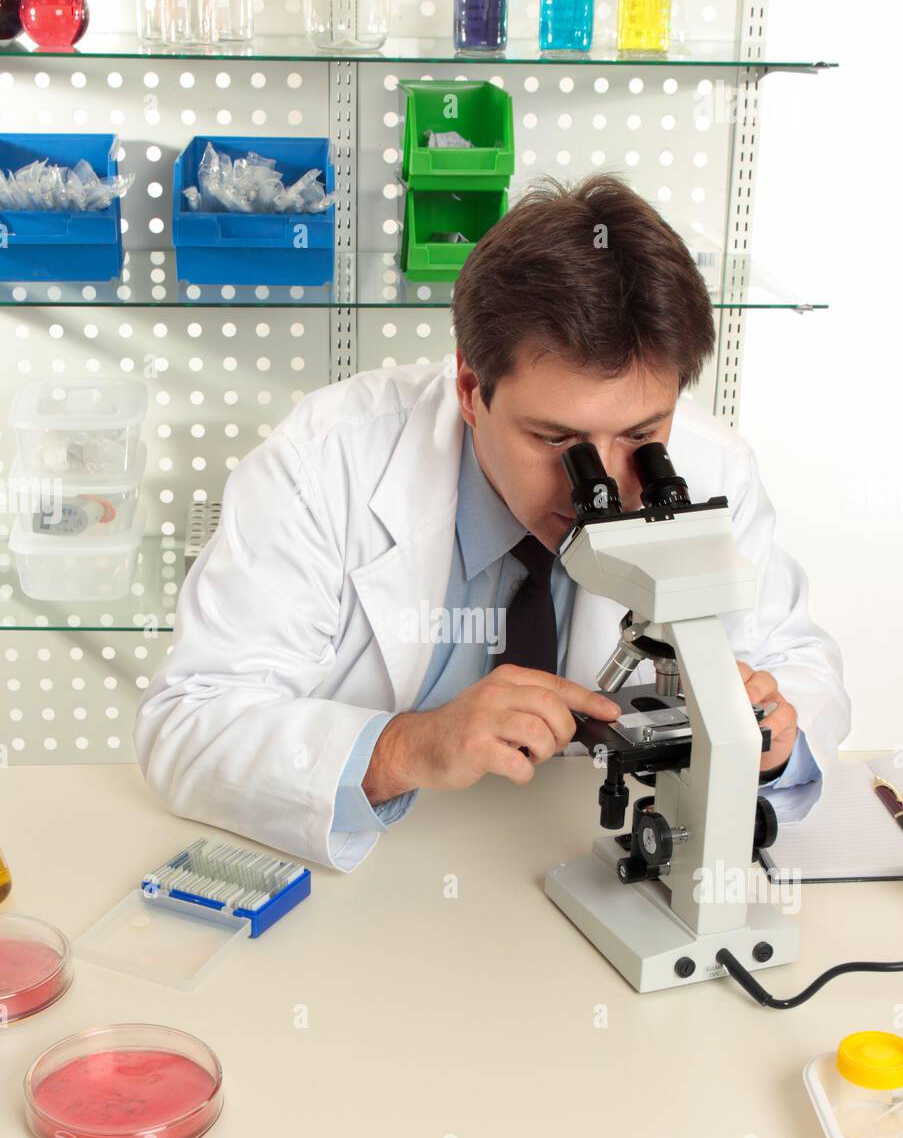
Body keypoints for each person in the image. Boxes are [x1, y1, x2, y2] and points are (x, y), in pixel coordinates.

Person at [134, 174, 850, 871]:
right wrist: (405, 748)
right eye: (554, 441)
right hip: (383, 880)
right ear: (472, 390)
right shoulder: (327, 459)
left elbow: (795, 664)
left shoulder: (712, 464)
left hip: (589, 852)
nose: (602, 481)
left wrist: (770, 740)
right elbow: (190, 725)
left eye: (641, 435)